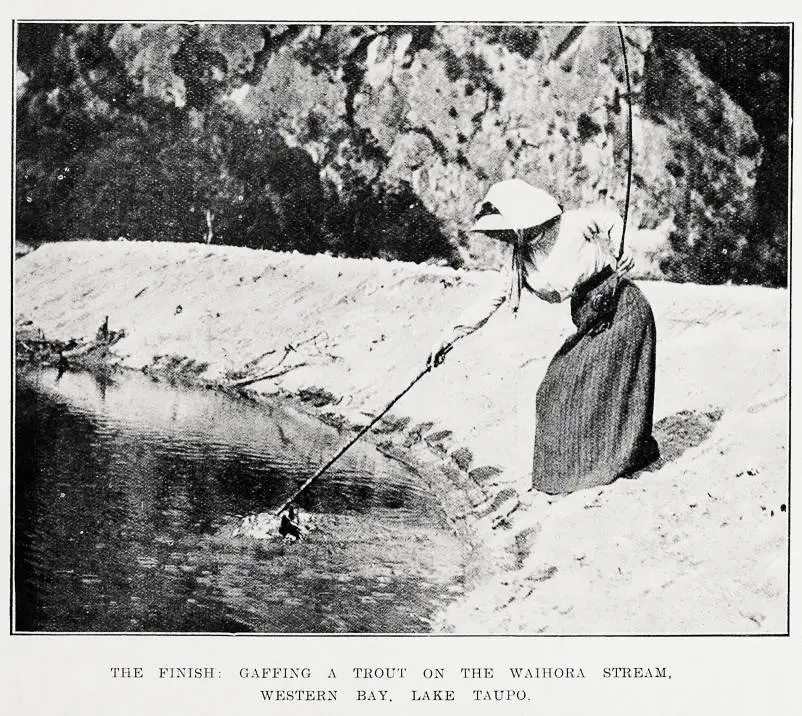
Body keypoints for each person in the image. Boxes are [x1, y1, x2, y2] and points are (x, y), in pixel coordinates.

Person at [428, 178, 659, 494]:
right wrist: (447, 338)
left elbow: (611, 222)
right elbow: (489, 302)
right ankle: (583, 470)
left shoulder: (573, 225)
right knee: (554, 390)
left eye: (503, 231)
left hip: (622, 309)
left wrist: (625, 251)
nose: (501, 237)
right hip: (591, 317)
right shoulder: (519, 262)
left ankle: (615, 460)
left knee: (604, 385)